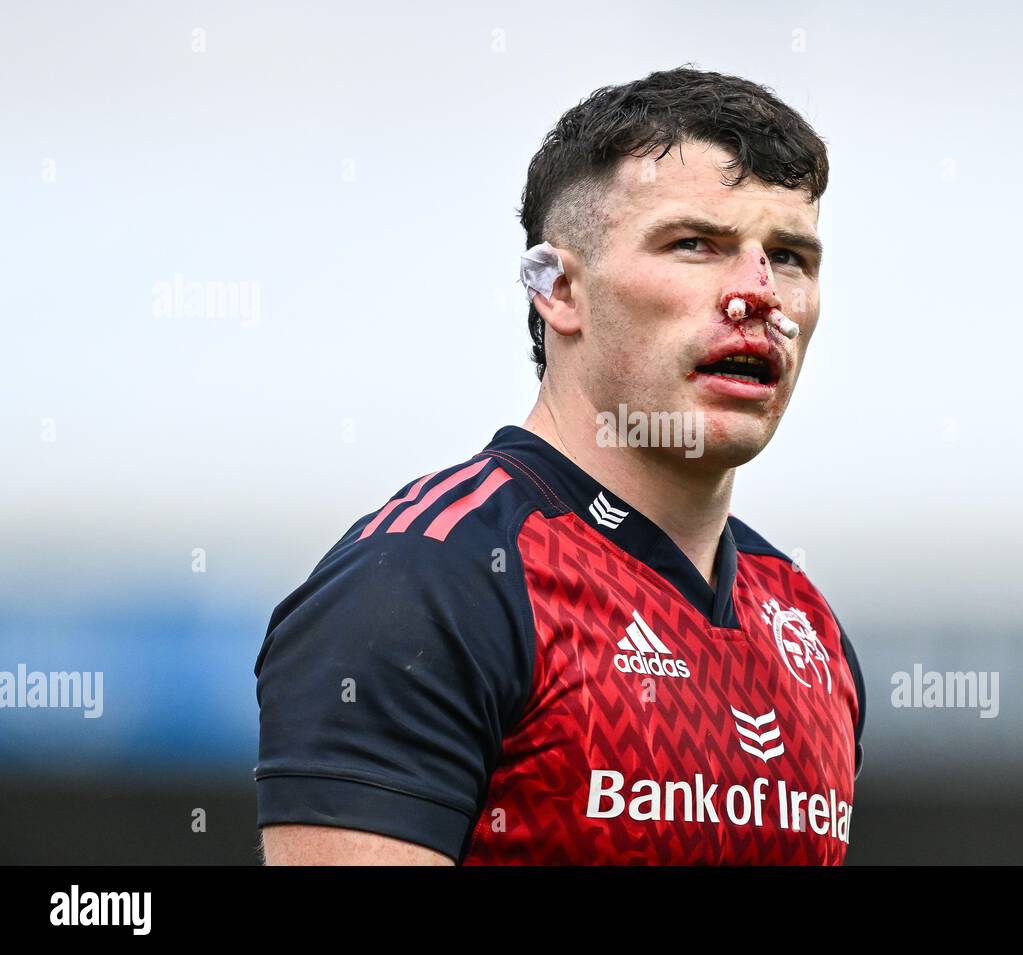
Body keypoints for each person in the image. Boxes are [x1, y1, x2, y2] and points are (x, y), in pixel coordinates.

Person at [255, 65, 865, 865]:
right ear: (560, 289)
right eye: (695, 245)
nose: (758, 294)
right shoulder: (428, 581)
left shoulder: (807, 627)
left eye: (788, 256)